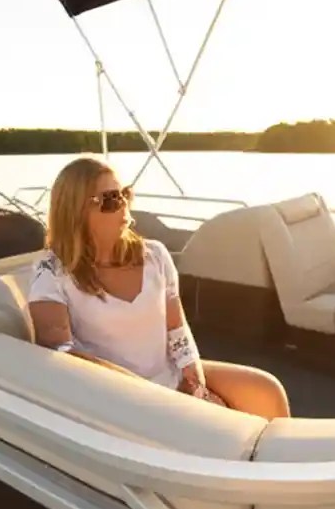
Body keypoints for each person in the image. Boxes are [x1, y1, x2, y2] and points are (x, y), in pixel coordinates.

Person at [27, 157, 291, 420]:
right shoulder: (50, 270)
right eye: (111, 199)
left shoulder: (154, 255)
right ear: (77, 211)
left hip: (171, 383)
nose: (124, 206)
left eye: (125, 194)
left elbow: (177, 331)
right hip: (117, 400)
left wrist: (196, 385)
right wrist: (148, 395)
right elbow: (61, 352)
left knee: (268, 392)